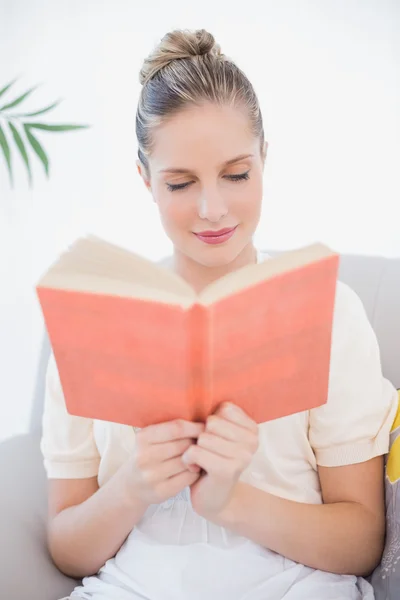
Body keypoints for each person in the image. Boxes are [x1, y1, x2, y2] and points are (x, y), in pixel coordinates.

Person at [41, 28, 399, 600]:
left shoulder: (330, 312)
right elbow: (66, 546)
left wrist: (231, 500)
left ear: (265, 159)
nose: (213, 209)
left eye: (237, 174)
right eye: (180, 183)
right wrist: (133, 485)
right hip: (133, 585)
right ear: (145, 180)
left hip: (294, 582)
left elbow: (361, 541)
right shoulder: (94, 322)